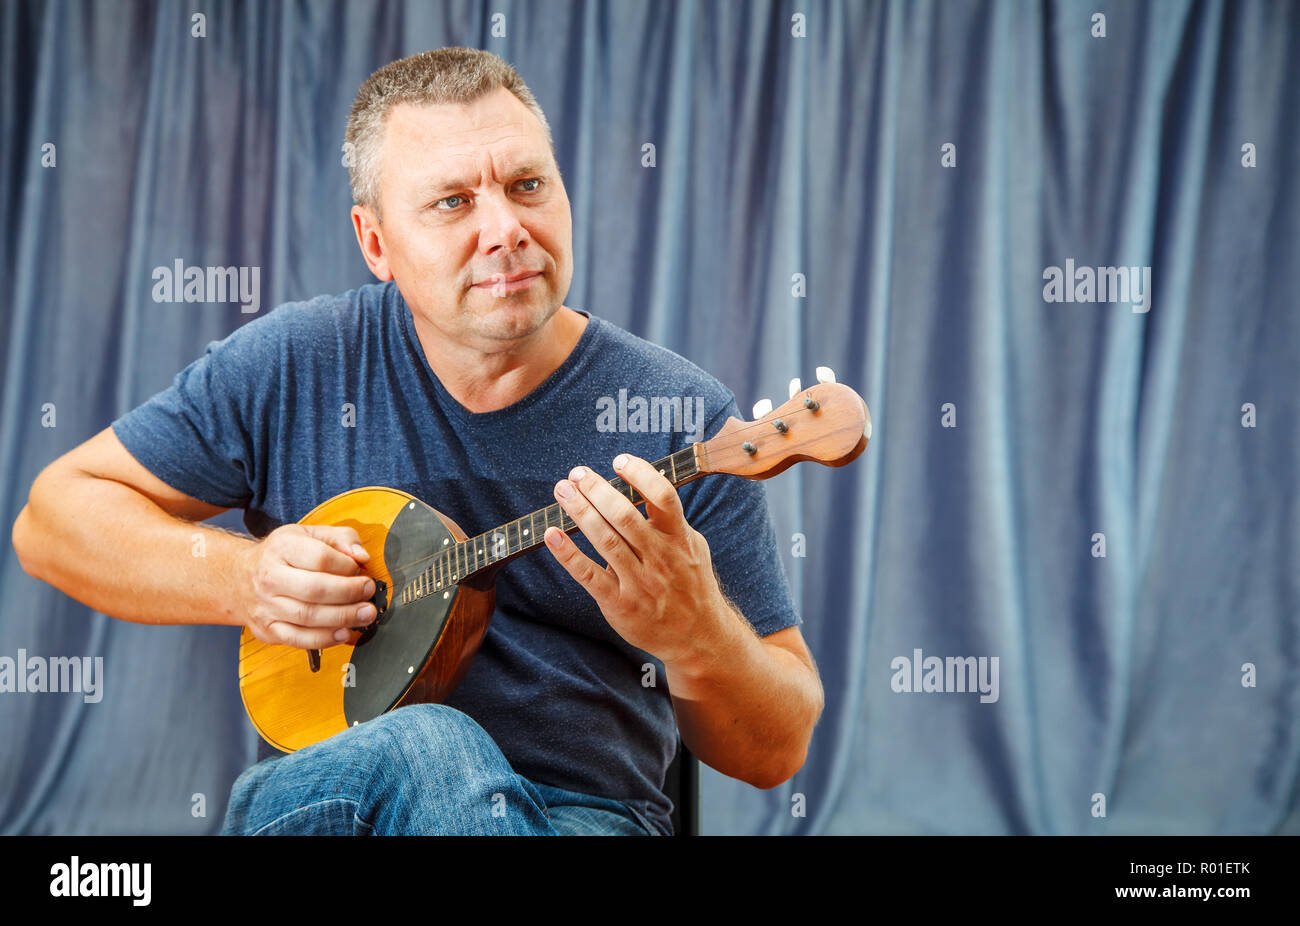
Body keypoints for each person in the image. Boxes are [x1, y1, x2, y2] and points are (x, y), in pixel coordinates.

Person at [11, 47, 823, 835]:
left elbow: (776, 748)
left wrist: (698, 633)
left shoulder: (680, 417)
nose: (506, 228)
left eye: (527, 185)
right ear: (376, 245)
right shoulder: (296, 364)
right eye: (453, 202)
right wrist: (245, 575)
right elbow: (51, 521)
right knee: (429, 745)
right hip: (331, 800)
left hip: (582, 817)